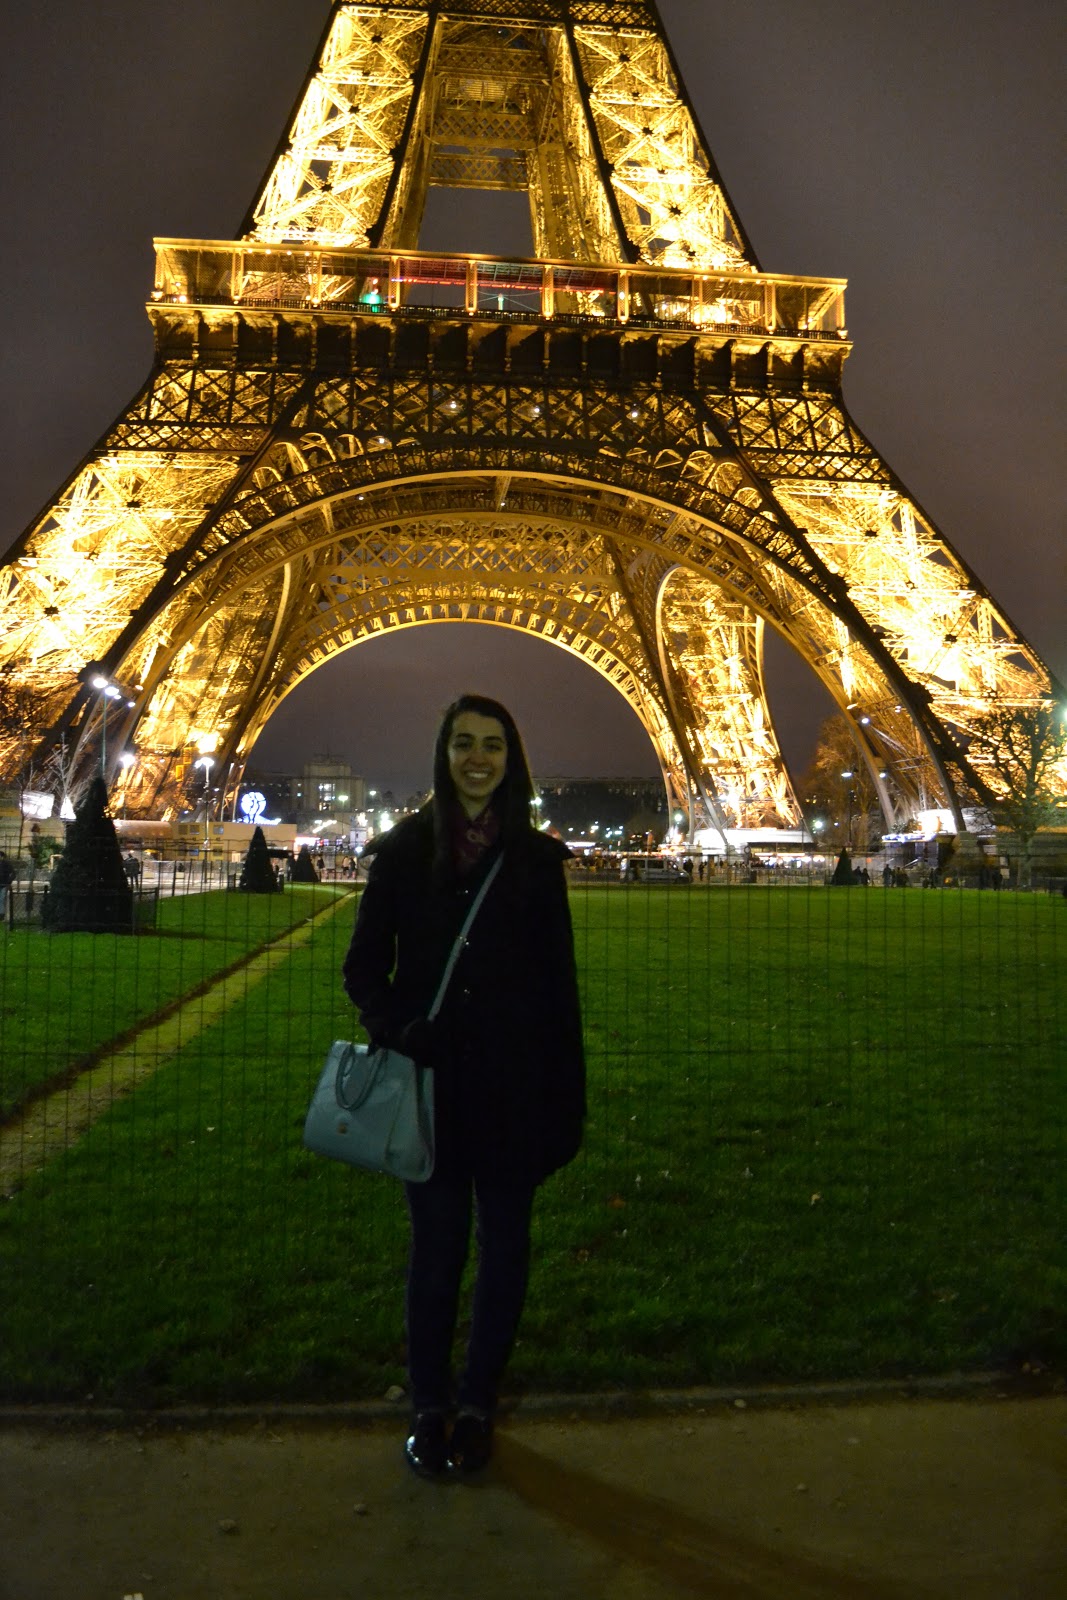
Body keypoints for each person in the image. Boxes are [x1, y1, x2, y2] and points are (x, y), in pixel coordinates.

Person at [342, 694, 586, 1479]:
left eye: (491, 745)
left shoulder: (538, 863)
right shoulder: (405, 851)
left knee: (505, 1250)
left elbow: (560, 994)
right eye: (462, 744)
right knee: (438, 1250)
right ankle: (428, 1405)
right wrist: (401, 1030)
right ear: (442, 755)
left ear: (510, 759)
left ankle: (477, 1402)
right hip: (432, 1085)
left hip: (515, 1091)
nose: (477, 758)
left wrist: (563, 1100)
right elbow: (361, 969)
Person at [0, 850, 14, 922]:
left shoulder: (7, 864)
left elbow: (13, 873)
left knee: (2, 899)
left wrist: (8, 881)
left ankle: (1, 915)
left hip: (4, 884)